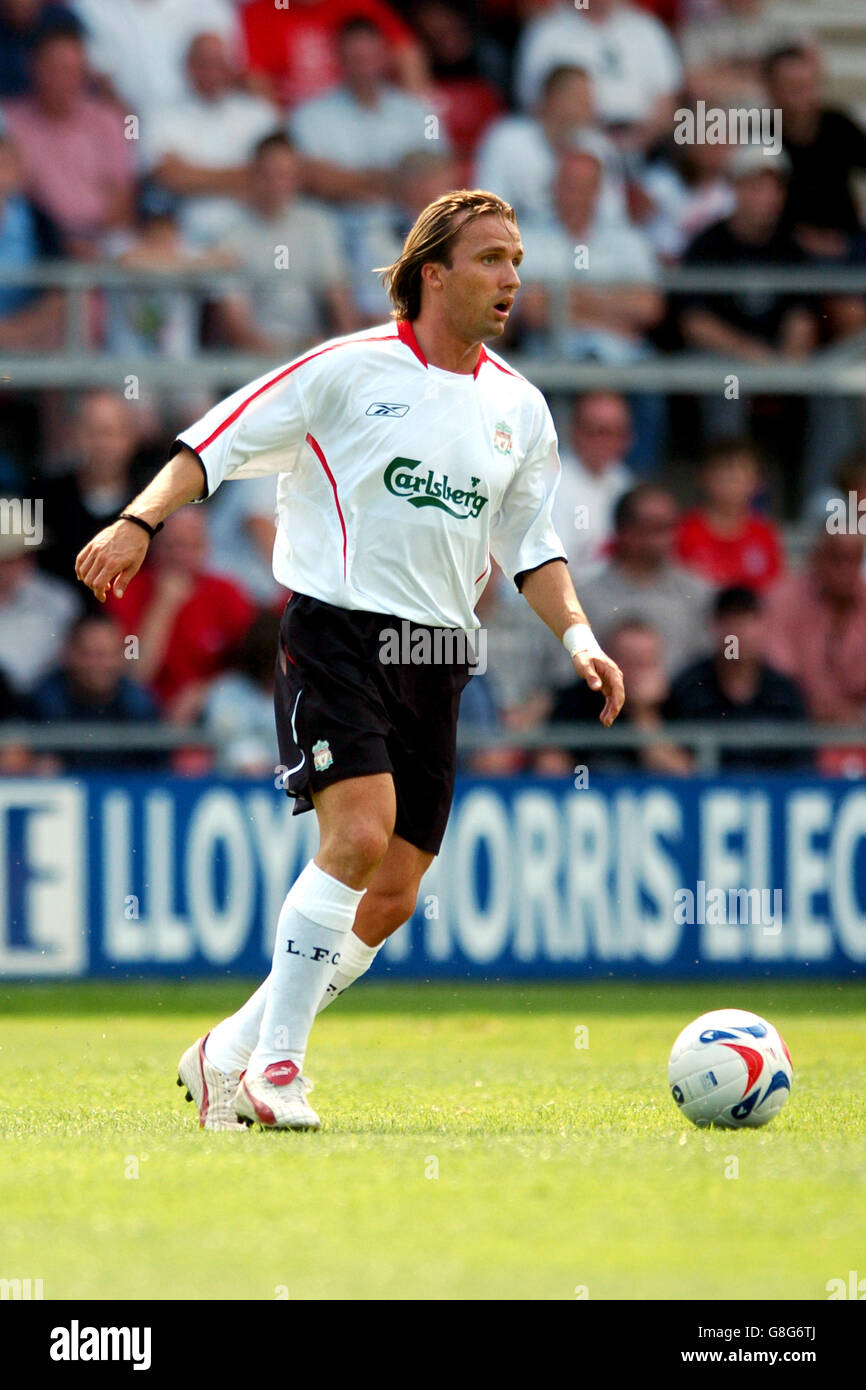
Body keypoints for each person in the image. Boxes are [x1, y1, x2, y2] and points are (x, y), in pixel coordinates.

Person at [75, 188, 625, 1131]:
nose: (512, 277)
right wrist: (137, 520)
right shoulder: (344, 369)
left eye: (518, 258)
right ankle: (277, 1071)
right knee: (359, 833)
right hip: (338, 629)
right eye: (491, 258)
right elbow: (215, 441)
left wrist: (579, 634)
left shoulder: (520, 408)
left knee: (397, 890)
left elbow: (531, 545)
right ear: (432, 274)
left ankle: (231, 1048)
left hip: (442, 651)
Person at [215, 133, 357, 357]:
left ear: (297, 178)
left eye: (284, 175)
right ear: (253, 175)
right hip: (255, 361)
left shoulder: (319, 225)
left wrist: (348, 353)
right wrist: (279, 356)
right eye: (268, 175)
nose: (276, 184)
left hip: (314, 349)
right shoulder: (231, 238)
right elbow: (237, 325)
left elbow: (338, 297)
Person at [1, 25, 134, 257]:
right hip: (41, 245)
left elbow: (123, 195)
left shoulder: (111, 120)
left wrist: (93, 243)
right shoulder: (10, 120)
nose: (65, 80)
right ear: (33, 67)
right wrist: (60, 241)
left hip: (103, 244)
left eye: (73, 70)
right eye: (55, 69)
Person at [141, 31, 279, 250]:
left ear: (232, 66)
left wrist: (192, 175)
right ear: (187, 66)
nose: (212, 72)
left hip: (255, 237)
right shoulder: (161, 115)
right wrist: (245, 176)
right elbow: (169, 176)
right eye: (202, 63)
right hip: (185, 239)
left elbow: (277, 175)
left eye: (219, 63)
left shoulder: (258, 113)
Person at [667, 585, 809, 771]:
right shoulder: (688, 688)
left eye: (746, 622)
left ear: (763, 627)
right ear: (714, 628)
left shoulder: (784, 692)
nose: (738, 634)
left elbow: (802, 764)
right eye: (730, 623)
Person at [577, 484, 713, 676]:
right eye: (657, 527)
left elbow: (707, 664)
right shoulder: (585, 597)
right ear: (625, 532)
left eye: (672, 526)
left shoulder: (698, 592)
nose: (669, 537)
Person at [26, 610, 163, 770]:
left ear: (121, 655)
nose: (99, 665)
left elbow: (158, 769)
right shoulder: (44, 700)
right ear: (69, 654)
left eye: (107, 654)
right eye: (90, 654)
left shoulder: (139, 704)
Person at [675, 436, 784, 591]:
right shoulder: (682, 530)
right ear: (702, 476)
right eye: (725, 471)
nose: (734, 480)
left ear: (758, 482)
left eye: (743, 473)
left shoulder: (765, 533)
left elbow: (775, 589)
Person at [550, 392, 634, 579]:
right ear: (574, 431)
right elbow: (555, 567)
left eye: (615, 432)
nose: (603, 441)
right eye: (595, 431)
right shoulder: (550, 482)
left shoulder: (624, 481)